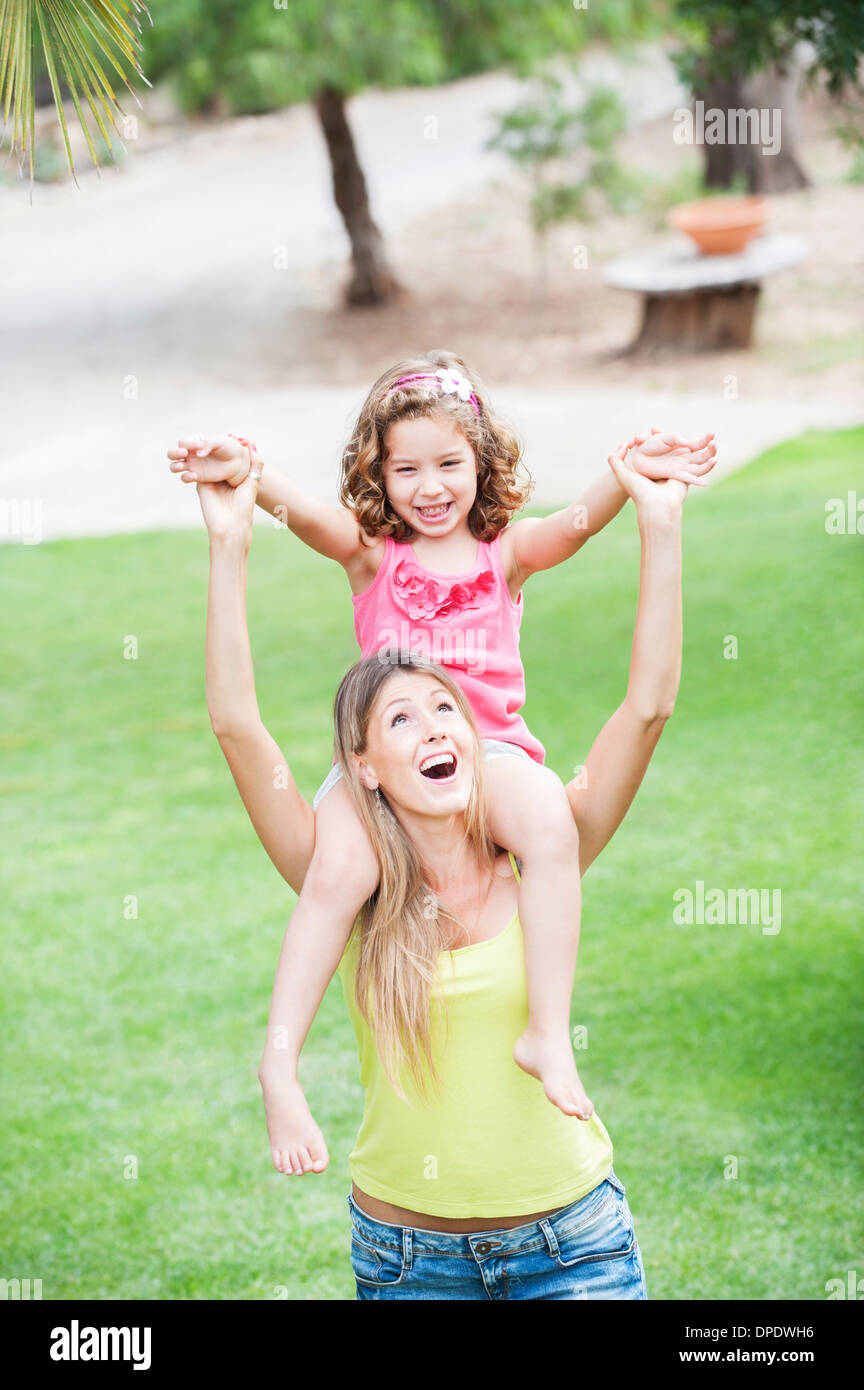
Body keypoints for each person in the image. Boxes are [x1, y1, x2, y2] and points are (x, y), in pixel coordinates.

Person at [167, 349, 716, 1164]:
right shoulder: (371, 557)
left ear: (482, 462)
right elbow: (305, 514)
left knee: (548, 825)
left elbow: (579, 524)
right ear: (378, 475)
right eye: (406, 469)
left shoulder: (509, 555)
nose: (430, 487)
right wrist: (249, 469)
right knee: (334, 875)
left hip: (488, 751)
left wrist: (631, 478)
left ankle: (547, 1032)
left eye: (450, 463)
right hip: (383, 770)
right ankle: (278, 1065)